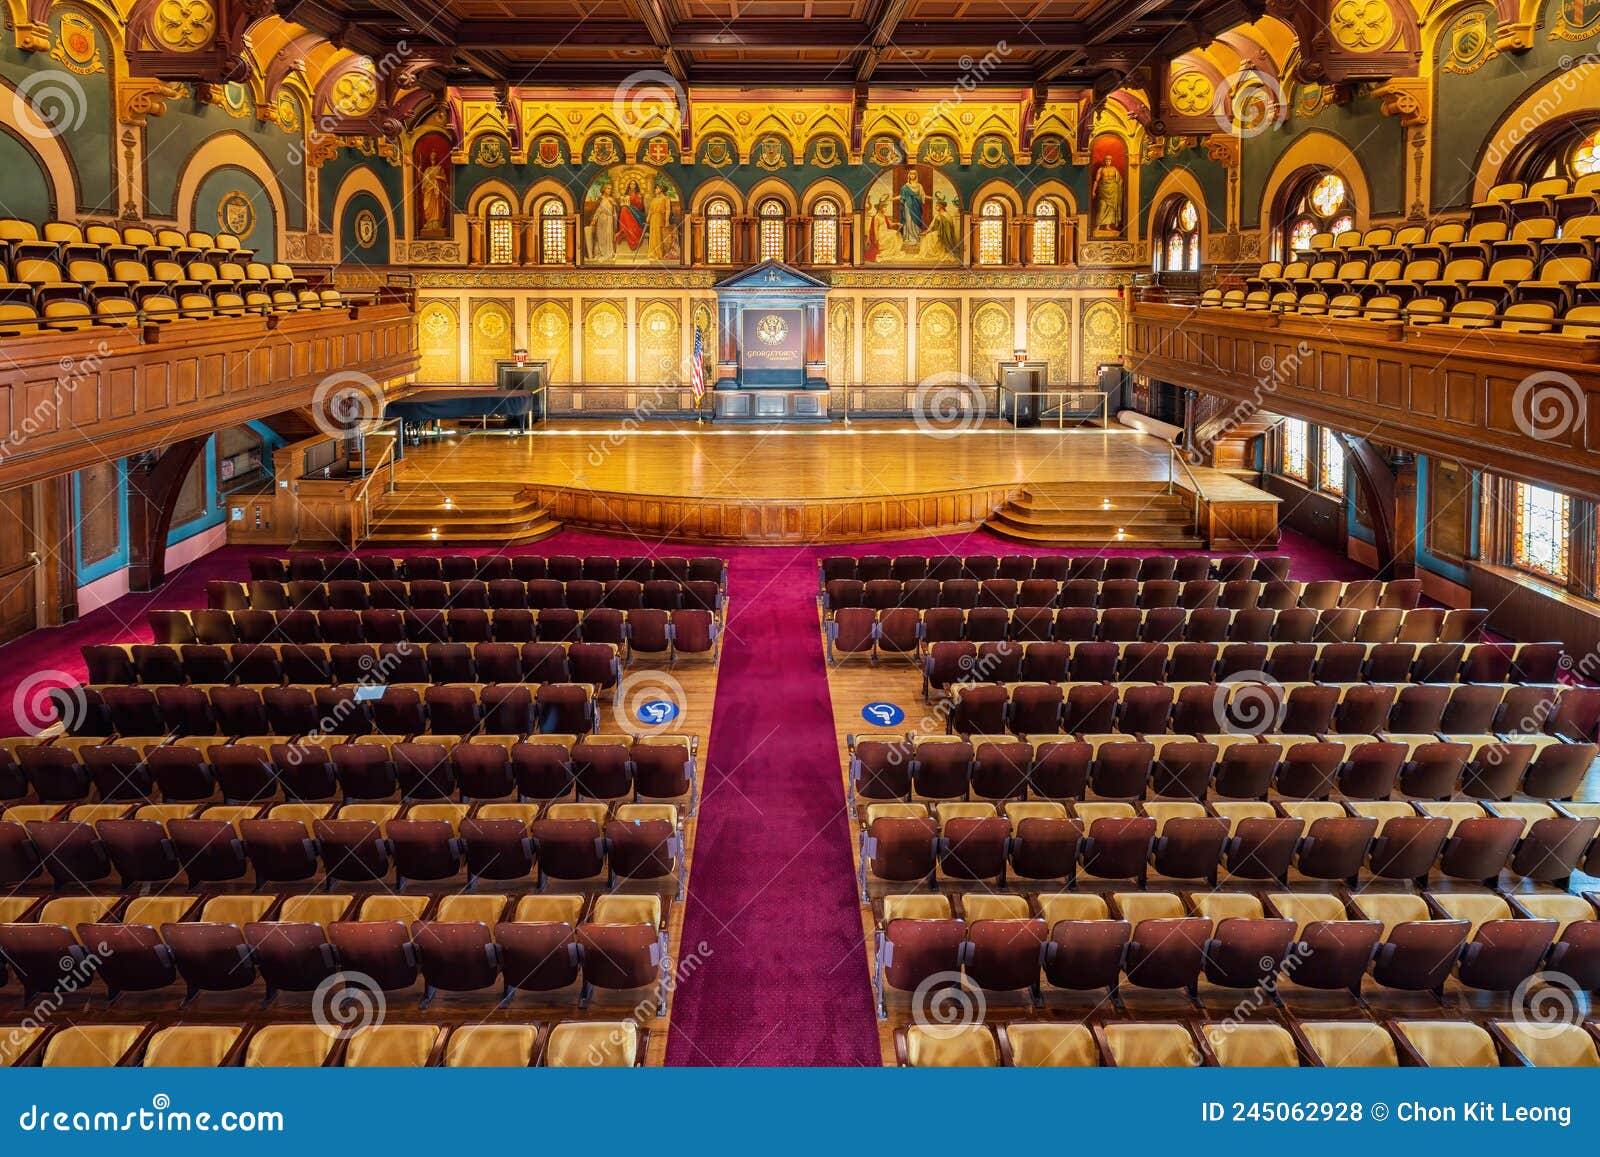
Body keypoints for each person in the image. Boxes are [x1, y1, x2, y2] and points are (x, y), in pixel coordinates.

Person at [1091, 154, 1124, 235]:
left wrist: (1117, 187)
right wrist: (1093, 191)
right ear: (1104, 161)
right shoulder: (1101, 169)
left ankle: (1107, 226)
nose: (1107, 162)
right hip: (1103, 190)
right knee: (1102, 207)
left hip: (1113, 191)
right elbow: (1096, 181)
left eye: (1109, 161)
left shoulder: (1114, 169)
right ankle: (1098, 226)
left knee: (1111, 209)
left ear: (1111, 161)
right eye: (1106, 161)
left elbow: (1120, 180)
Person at [589, 184, 617, 261]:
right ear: (604, 189)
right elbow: (597, 210)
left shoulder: (611, 199)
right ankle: (600, 253)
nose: (609, 190)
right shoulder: (600, 199)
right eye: (608, 188)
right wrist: (594, 219)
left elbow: (614, 211)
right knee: (601, 236)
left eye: (610, 188)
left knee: (608, 236)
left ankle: (608, 252)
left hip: (609, 219)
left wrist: (614, 205)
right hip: (601, 219)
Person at [899, 172, 925, 246]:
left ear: (916, 176)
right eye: (911, 174)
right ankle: (909, 237)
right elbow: (901, 196)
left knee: (916, 220)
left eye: (913, 174)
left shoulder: (919, 186)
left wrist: (934, 198)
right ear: (909, 176)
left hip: (916, 206)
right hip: (908, 206)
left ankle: (916, 237)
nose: (912, 176)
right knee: (908, 220)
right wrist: (891, 199)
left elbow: (923, 196)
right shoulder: (905, 187)